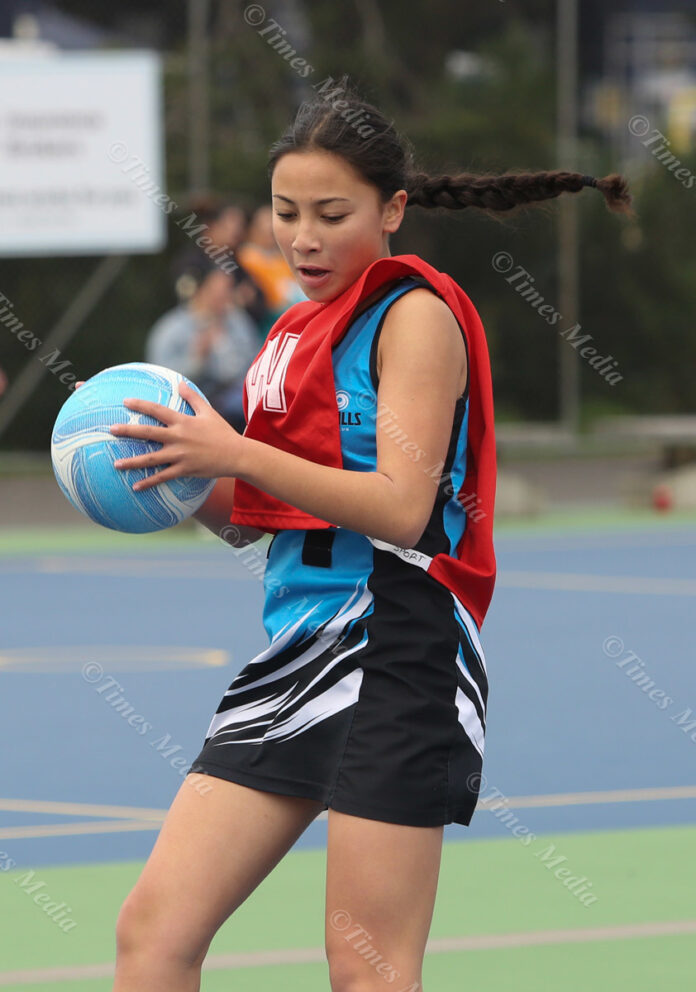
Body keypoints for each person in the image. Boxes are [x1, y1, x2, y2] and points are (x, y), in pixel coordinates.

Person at [97, 78, 632, 990]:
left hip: (397, 645)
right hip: (297, 648)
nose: (303, 237)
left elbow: (399, 508)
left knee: (367, 968)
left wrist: (240, 454)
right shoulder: (294, 335)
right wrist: (172, 479)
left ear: (392, 209)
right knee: (153, 934)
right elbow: (259, 519)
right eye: (285, 212)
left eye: (332, 213)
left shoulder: (413, 318)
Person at [144, 267, 260, 432]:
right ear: (201, 289)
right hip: (191, 412)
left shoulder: (238, 322)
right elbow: (159, 380)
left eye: (228, 290)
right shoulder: (171, 330)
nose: (226, 297)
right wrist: (197, 359)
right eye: (219, 291)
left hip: (239, 410)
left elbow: (254, 363)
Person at [171, 197, 271, 331]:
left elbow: (258, 300)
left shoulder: (237, 264)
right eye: (229, 226)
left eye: (239, 227)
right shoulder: (190, 263)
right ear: (210, 226)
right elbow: (188, 301)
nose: (236, 232)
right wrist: (232, 300)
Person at [238, 203, 309, 333]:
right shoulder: (247, 257)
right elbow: (268, 292)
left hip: (291, 310)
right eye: (266, 231)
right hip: (267, 319)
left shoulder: (278, 257)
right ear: (253, 230)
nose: (271, 235)